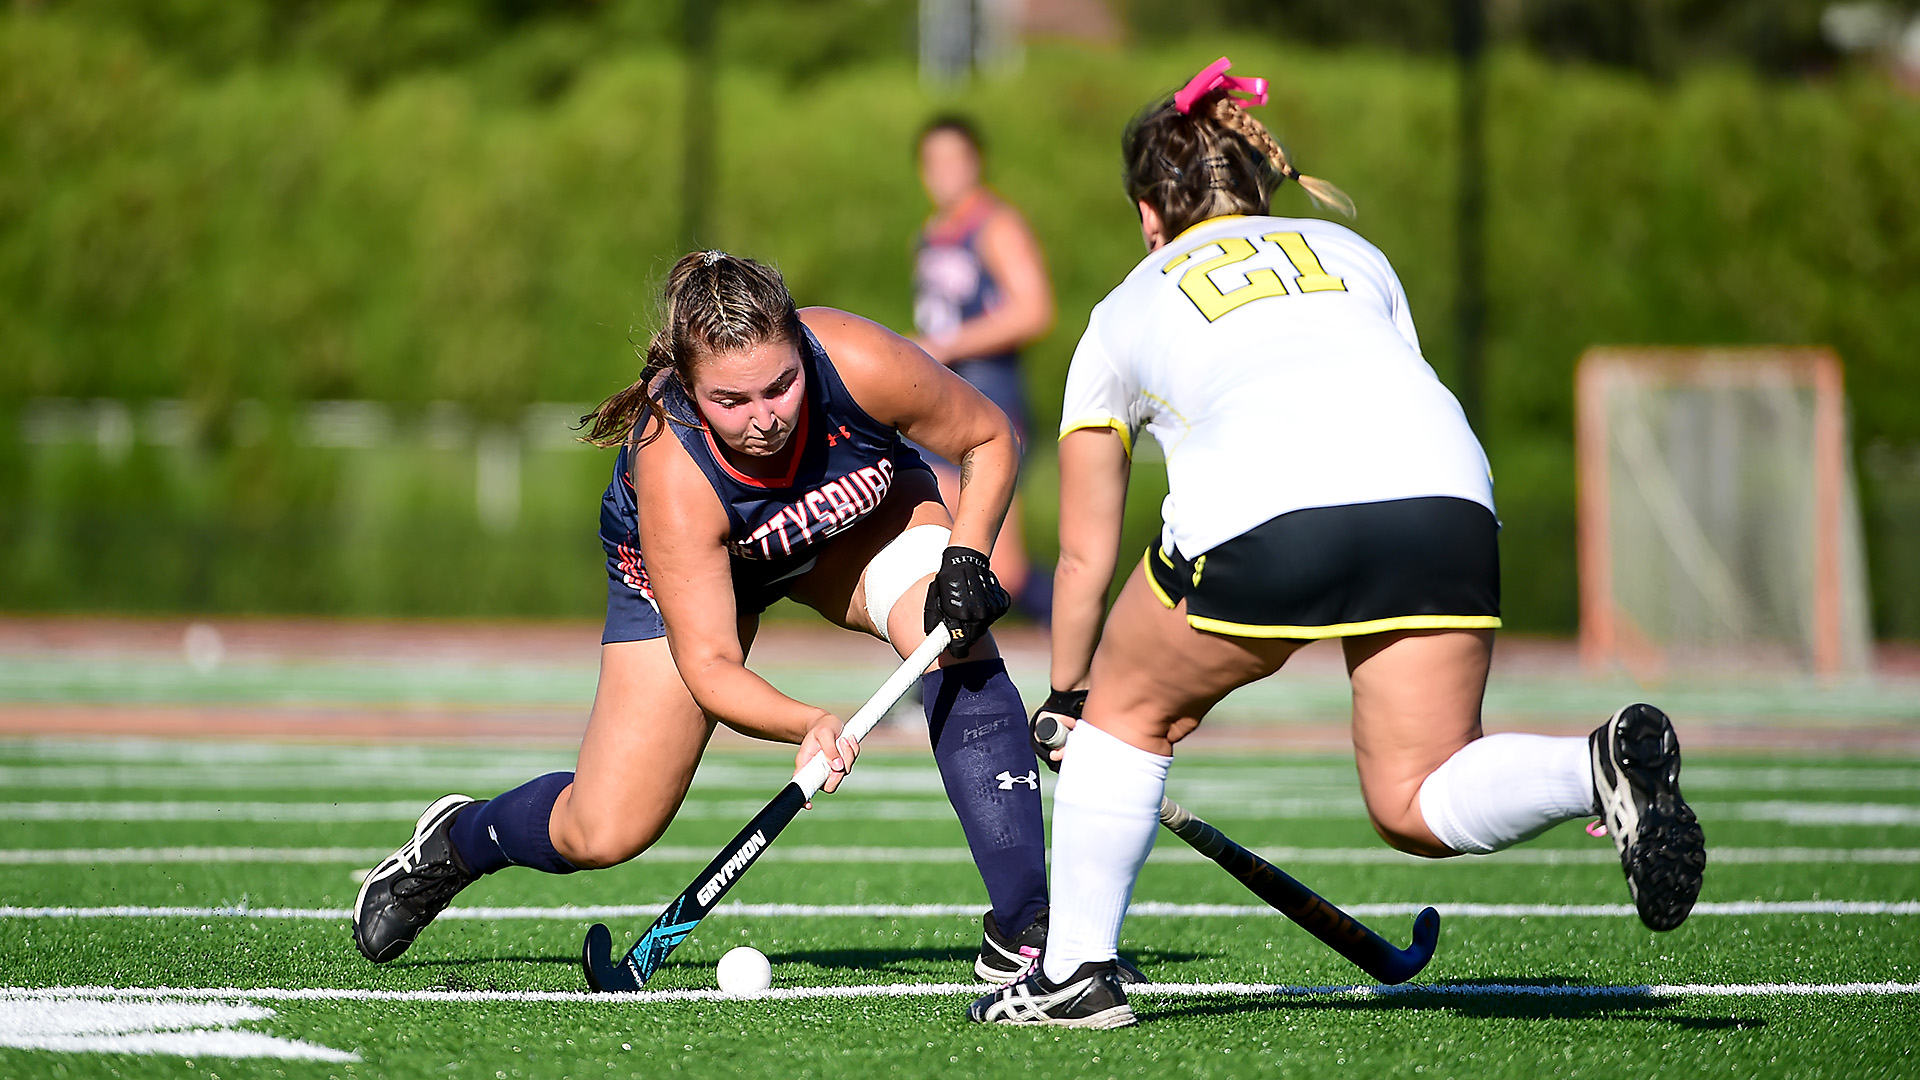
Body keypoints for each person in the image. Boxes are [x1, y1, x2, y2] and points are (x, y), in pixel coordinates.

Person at [969, 58, 1707, 1028]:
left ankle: (1073, 976)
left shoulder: (1122, 310)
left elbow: (1081, 559)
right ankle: (1594, 766)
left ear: (1149, 213)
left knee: (1125, 713)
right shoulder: (1354, 254)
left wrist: (1071, 698)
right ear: (1258, 184)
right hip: (1446, 497)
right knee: (1414, 795)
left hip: (1267, 512)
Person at [352, 250, 1057, 984]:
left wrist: (968, 556)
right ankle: (460, 840)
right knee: (605, 830)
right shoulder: (673, 463)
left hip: (851, 528)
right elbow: (711, 666)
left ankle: (1025, 929)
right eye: (732, 400)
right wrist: (807, 723)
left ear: (800, 347)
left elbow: (988, 436)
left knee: (951, 636)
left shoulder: (854, 357)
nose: (766, 419)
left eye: (781, 385)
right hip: (699, 576)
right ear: (690, 385)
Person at [911, 116, 1055, 616]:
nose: (944, 172)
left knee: (1003, 569)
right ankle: (938, 655)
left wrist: (946, 345)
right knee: (935, 543)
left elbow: (1033, 310)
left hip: (989, 402)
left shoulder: (995, 226)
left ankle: (1084, 627)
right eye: (933, 162)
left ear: (976, 162)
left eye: (954, 159)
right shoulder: (931, 234)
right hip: (938, 404)